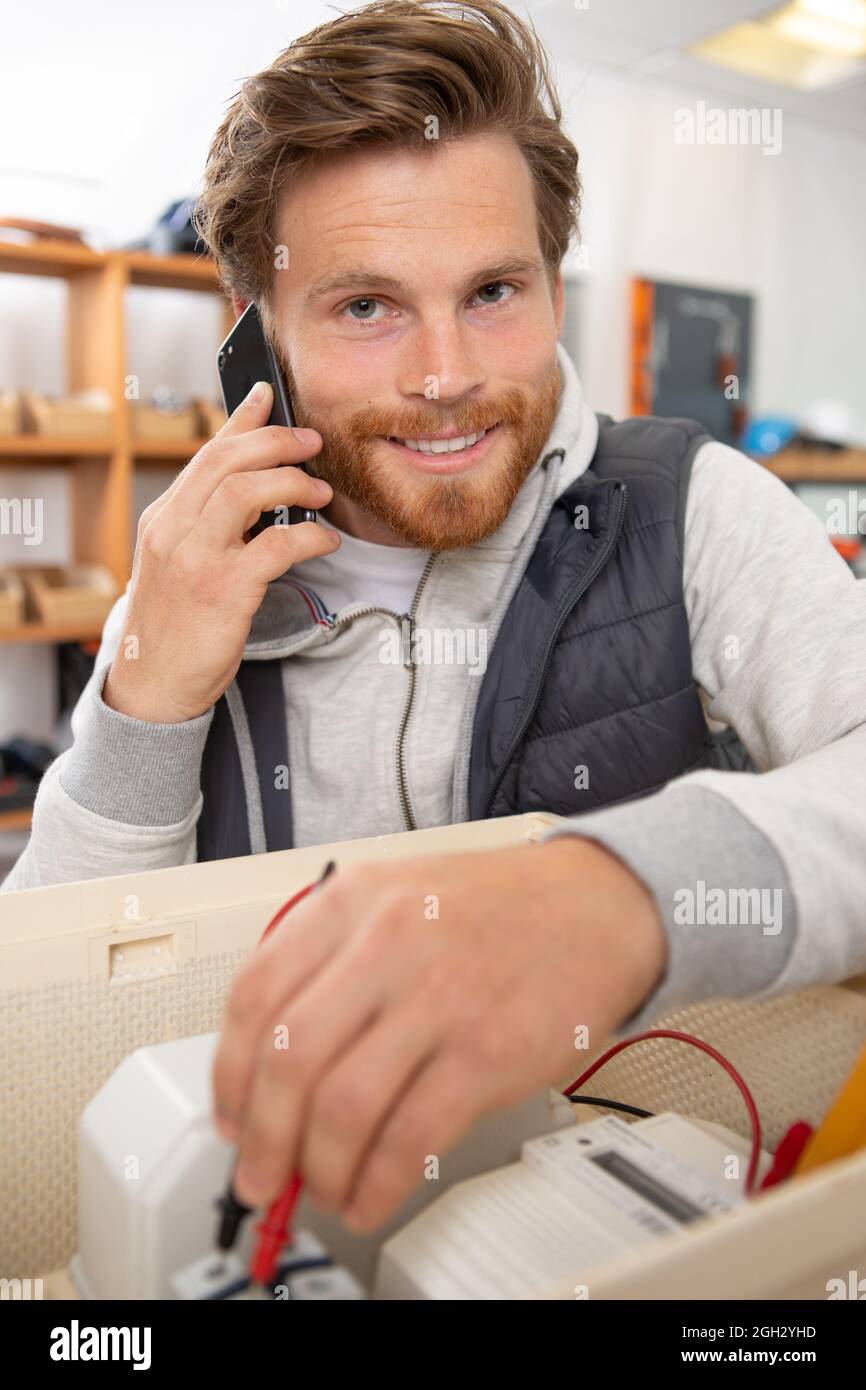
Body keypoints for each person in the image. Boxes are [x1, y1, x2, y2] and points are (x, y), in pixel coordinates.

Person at [4, 0, 865, 1234]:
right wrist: (147, 700)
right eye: (366, 307)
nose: (446, 372)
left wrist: (611, 893)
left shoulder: (695, 509)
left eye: (493, 291)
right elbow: (42, 1044)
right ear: (257, 337)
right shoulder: (191, 571)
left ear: (552, 283)